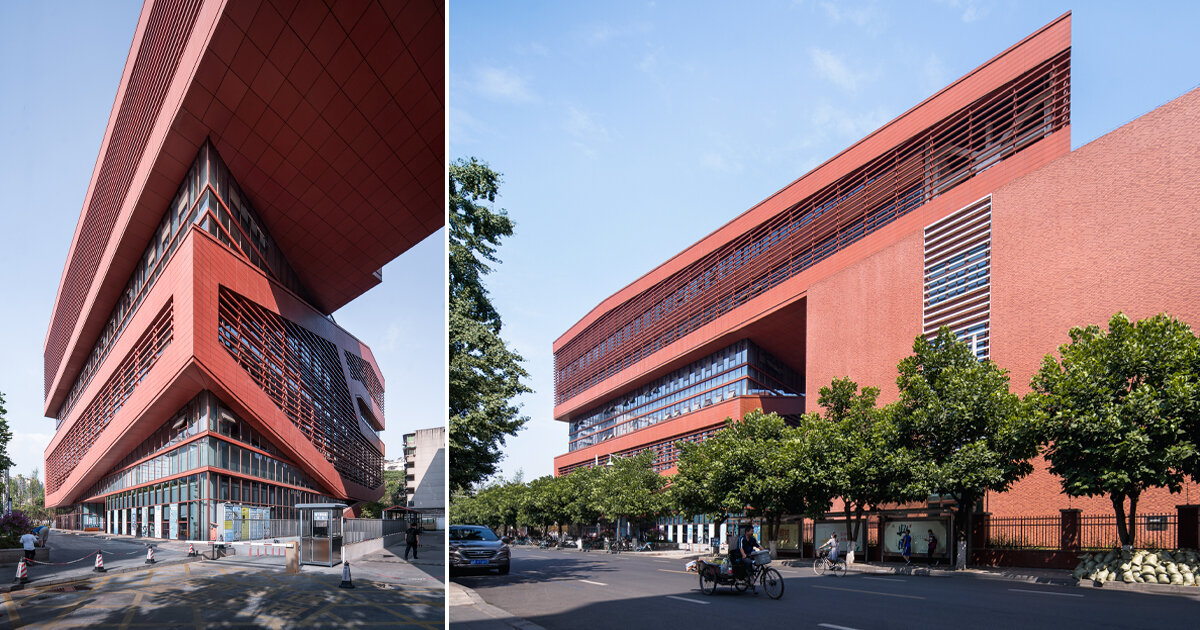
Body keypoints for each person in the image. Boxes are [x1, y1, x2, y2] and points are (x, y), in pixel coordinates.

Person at [734, 525, 762, 591]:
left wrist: (765, 551)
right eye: (751, 531)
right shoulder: (742, 538)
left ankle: (752, 571)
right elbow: (740, 548)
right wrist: (744, 555)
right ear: (747, 531)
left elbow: (758, 546)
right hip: (742, 556)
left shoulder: (752, 538)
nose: (752, 532)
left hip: (751, 555)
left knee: (758, 560)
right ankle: (751, 576)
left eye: (753, 531)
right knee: (749, 562)